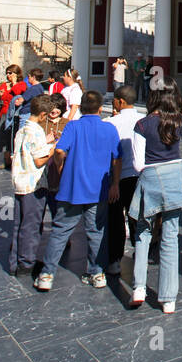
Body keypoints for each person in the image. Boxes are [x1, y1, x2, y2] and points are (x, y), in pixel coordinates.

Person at [127, 78, 182, 314]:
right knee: (170, 237)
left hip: (150, 178)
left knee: (143, 233)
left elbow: (137, 164)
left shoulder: (142, 124)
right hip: (175, 177)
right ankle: (168, 298)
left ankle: (139, 288)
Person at [34, 91, 120, 291]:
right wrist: (115, 183)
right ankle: (97, 273)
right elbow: (117, 158)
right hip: (98, 189)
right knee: (96, 231)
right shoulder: (109, 129)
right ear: (100, 108)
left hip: (73, 188)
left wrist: (60, 166)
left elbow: (59, 150)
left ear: (80, 107)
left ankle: (47, 274)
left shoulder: (73, 126)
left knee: (60, 231)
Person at [9, 94, 56, 277]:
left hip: (19, 181)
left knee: (18, 224)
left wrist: (46, 141)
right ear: (43, 115)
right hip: (33, 184)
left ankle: (15, 261)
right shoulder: (36, 131)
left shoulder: (22, 129)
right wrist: (52, 150)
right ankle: (26, 263)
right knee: (32, 225)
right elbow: (38, 160)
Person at [104, 84, 143, 277]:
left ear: (120, 101)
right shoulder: (144, 120)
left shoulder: (110, 123)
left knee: (115, 219)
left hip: (117, 179)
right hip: (140, 177)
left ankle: (114, 260)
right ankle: (141, 253)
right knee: (138, 217)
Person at [0, 65, 28, 170]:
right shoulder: (4, 85)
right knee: (5, 138)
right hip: (4, 113)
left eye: (10, 73)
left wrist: (14, 84)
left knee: (14, 136)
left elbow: (17, 93)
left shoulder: (21, 84)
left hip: (14, 114)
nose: (8, 75)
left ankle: (15, 161)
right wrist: (2, 94)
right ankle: (6, 161)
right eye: (7, 73)